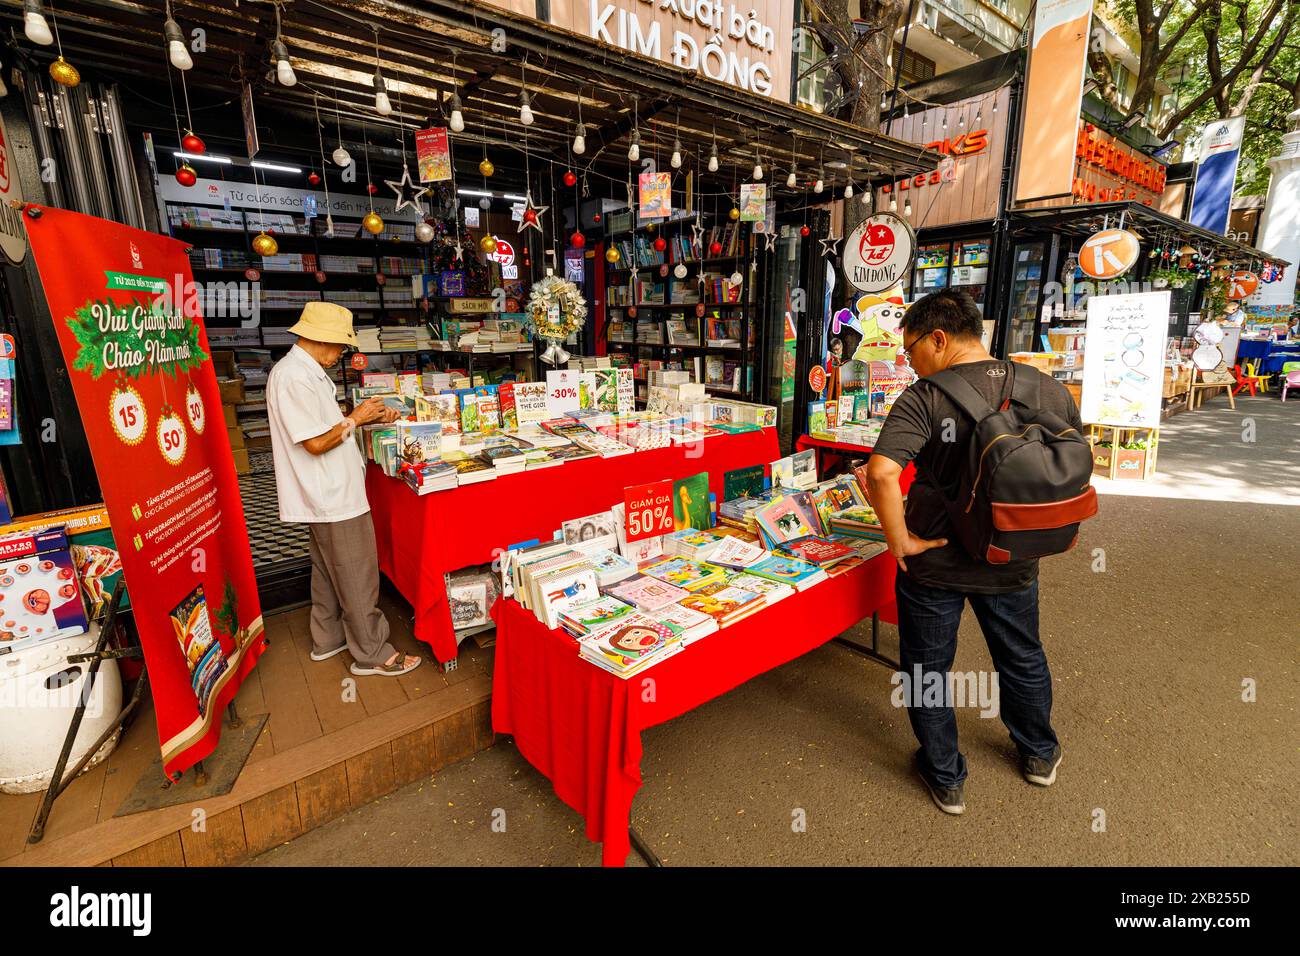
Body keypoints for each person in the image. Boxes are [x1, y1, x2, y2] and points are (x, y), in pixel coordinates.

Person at [865, 289, 1080, 815]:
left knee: (928, 669)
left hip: (934, 558)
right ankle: (1038, 754)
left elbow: (881, 472)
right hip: (1012, 553)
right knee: (1021, 654)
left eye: (911, 348)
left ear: (939, 338)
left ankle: (946, 776)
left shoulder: (924, 397)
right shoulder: (1047, 388)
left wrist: (901, 542)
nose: (910, 361)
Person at [265, 301, 420, 677]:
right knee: (357, 575)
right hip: (332, 496)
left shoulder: (308, 373)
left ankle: (328, 638)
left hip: (330, 494)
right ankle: (372, 653)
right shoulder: (293, 377)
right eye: (340, 346)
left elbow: (329, 430)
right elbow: (315, 443)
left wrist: (369, 419)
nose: (343, 354)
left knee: (327, 571)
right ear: (319, 339)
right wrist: (355, 417)